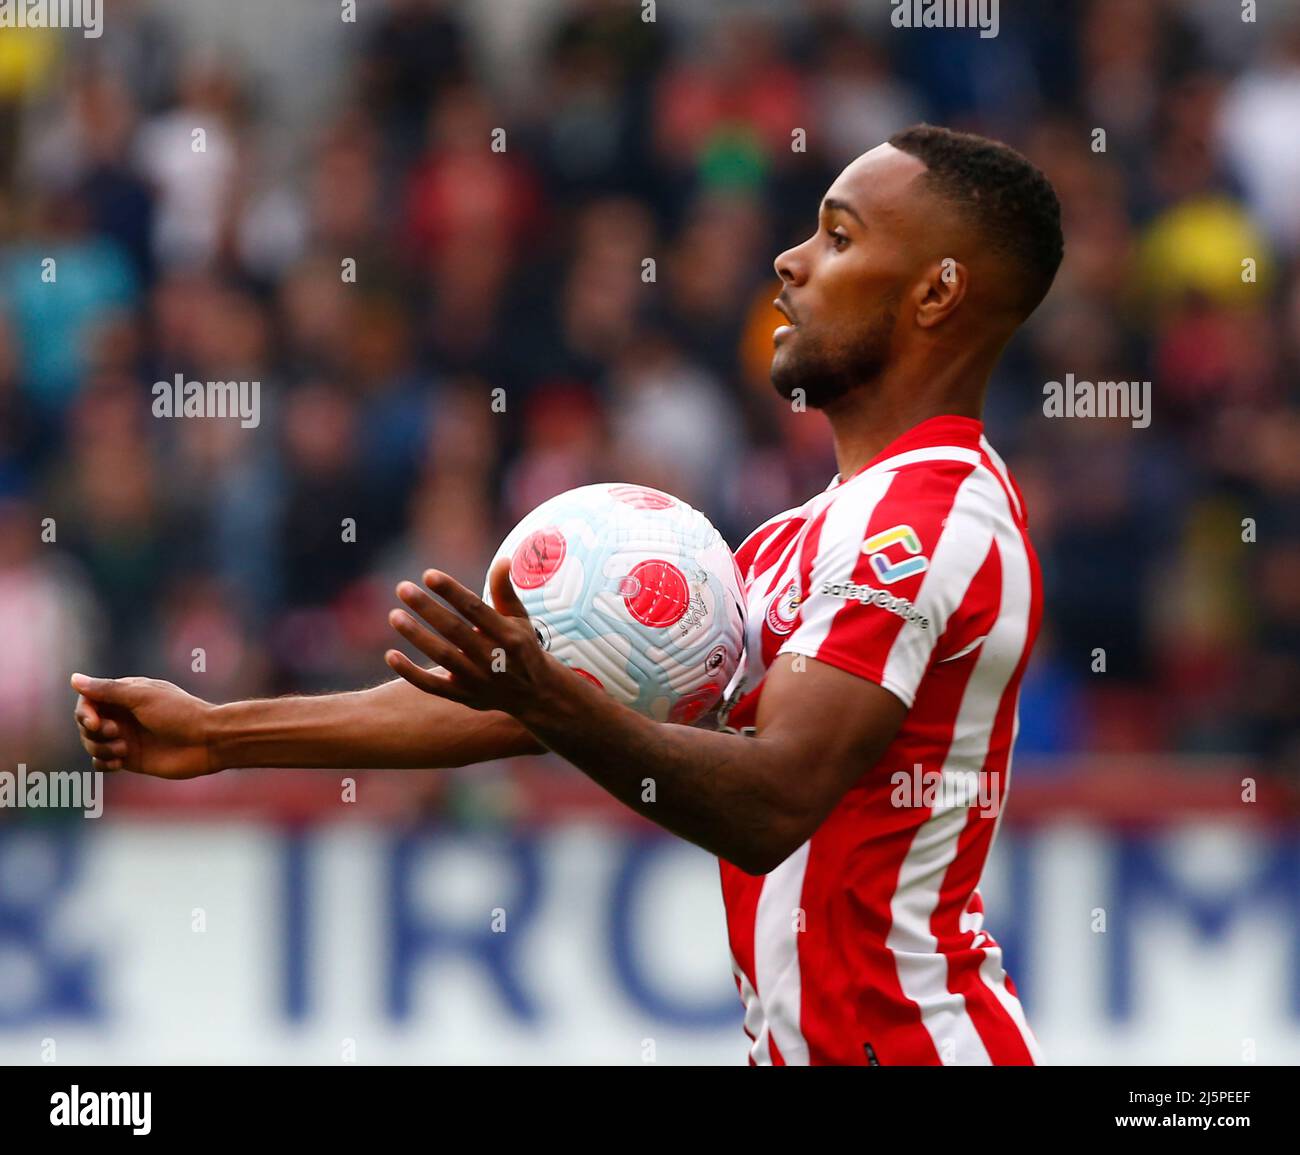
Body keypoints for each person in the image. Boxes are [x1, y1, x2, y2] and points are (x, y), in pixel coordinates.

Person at [73, 125, 1063, 1066]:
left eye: (838, 237)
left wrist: (543, 691)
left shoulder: (929, 523)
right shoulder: (802, 533)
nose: (790, 261)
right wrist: (217, 737)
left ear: (936, 293)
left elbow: (773, 801)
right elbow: (511, 708)